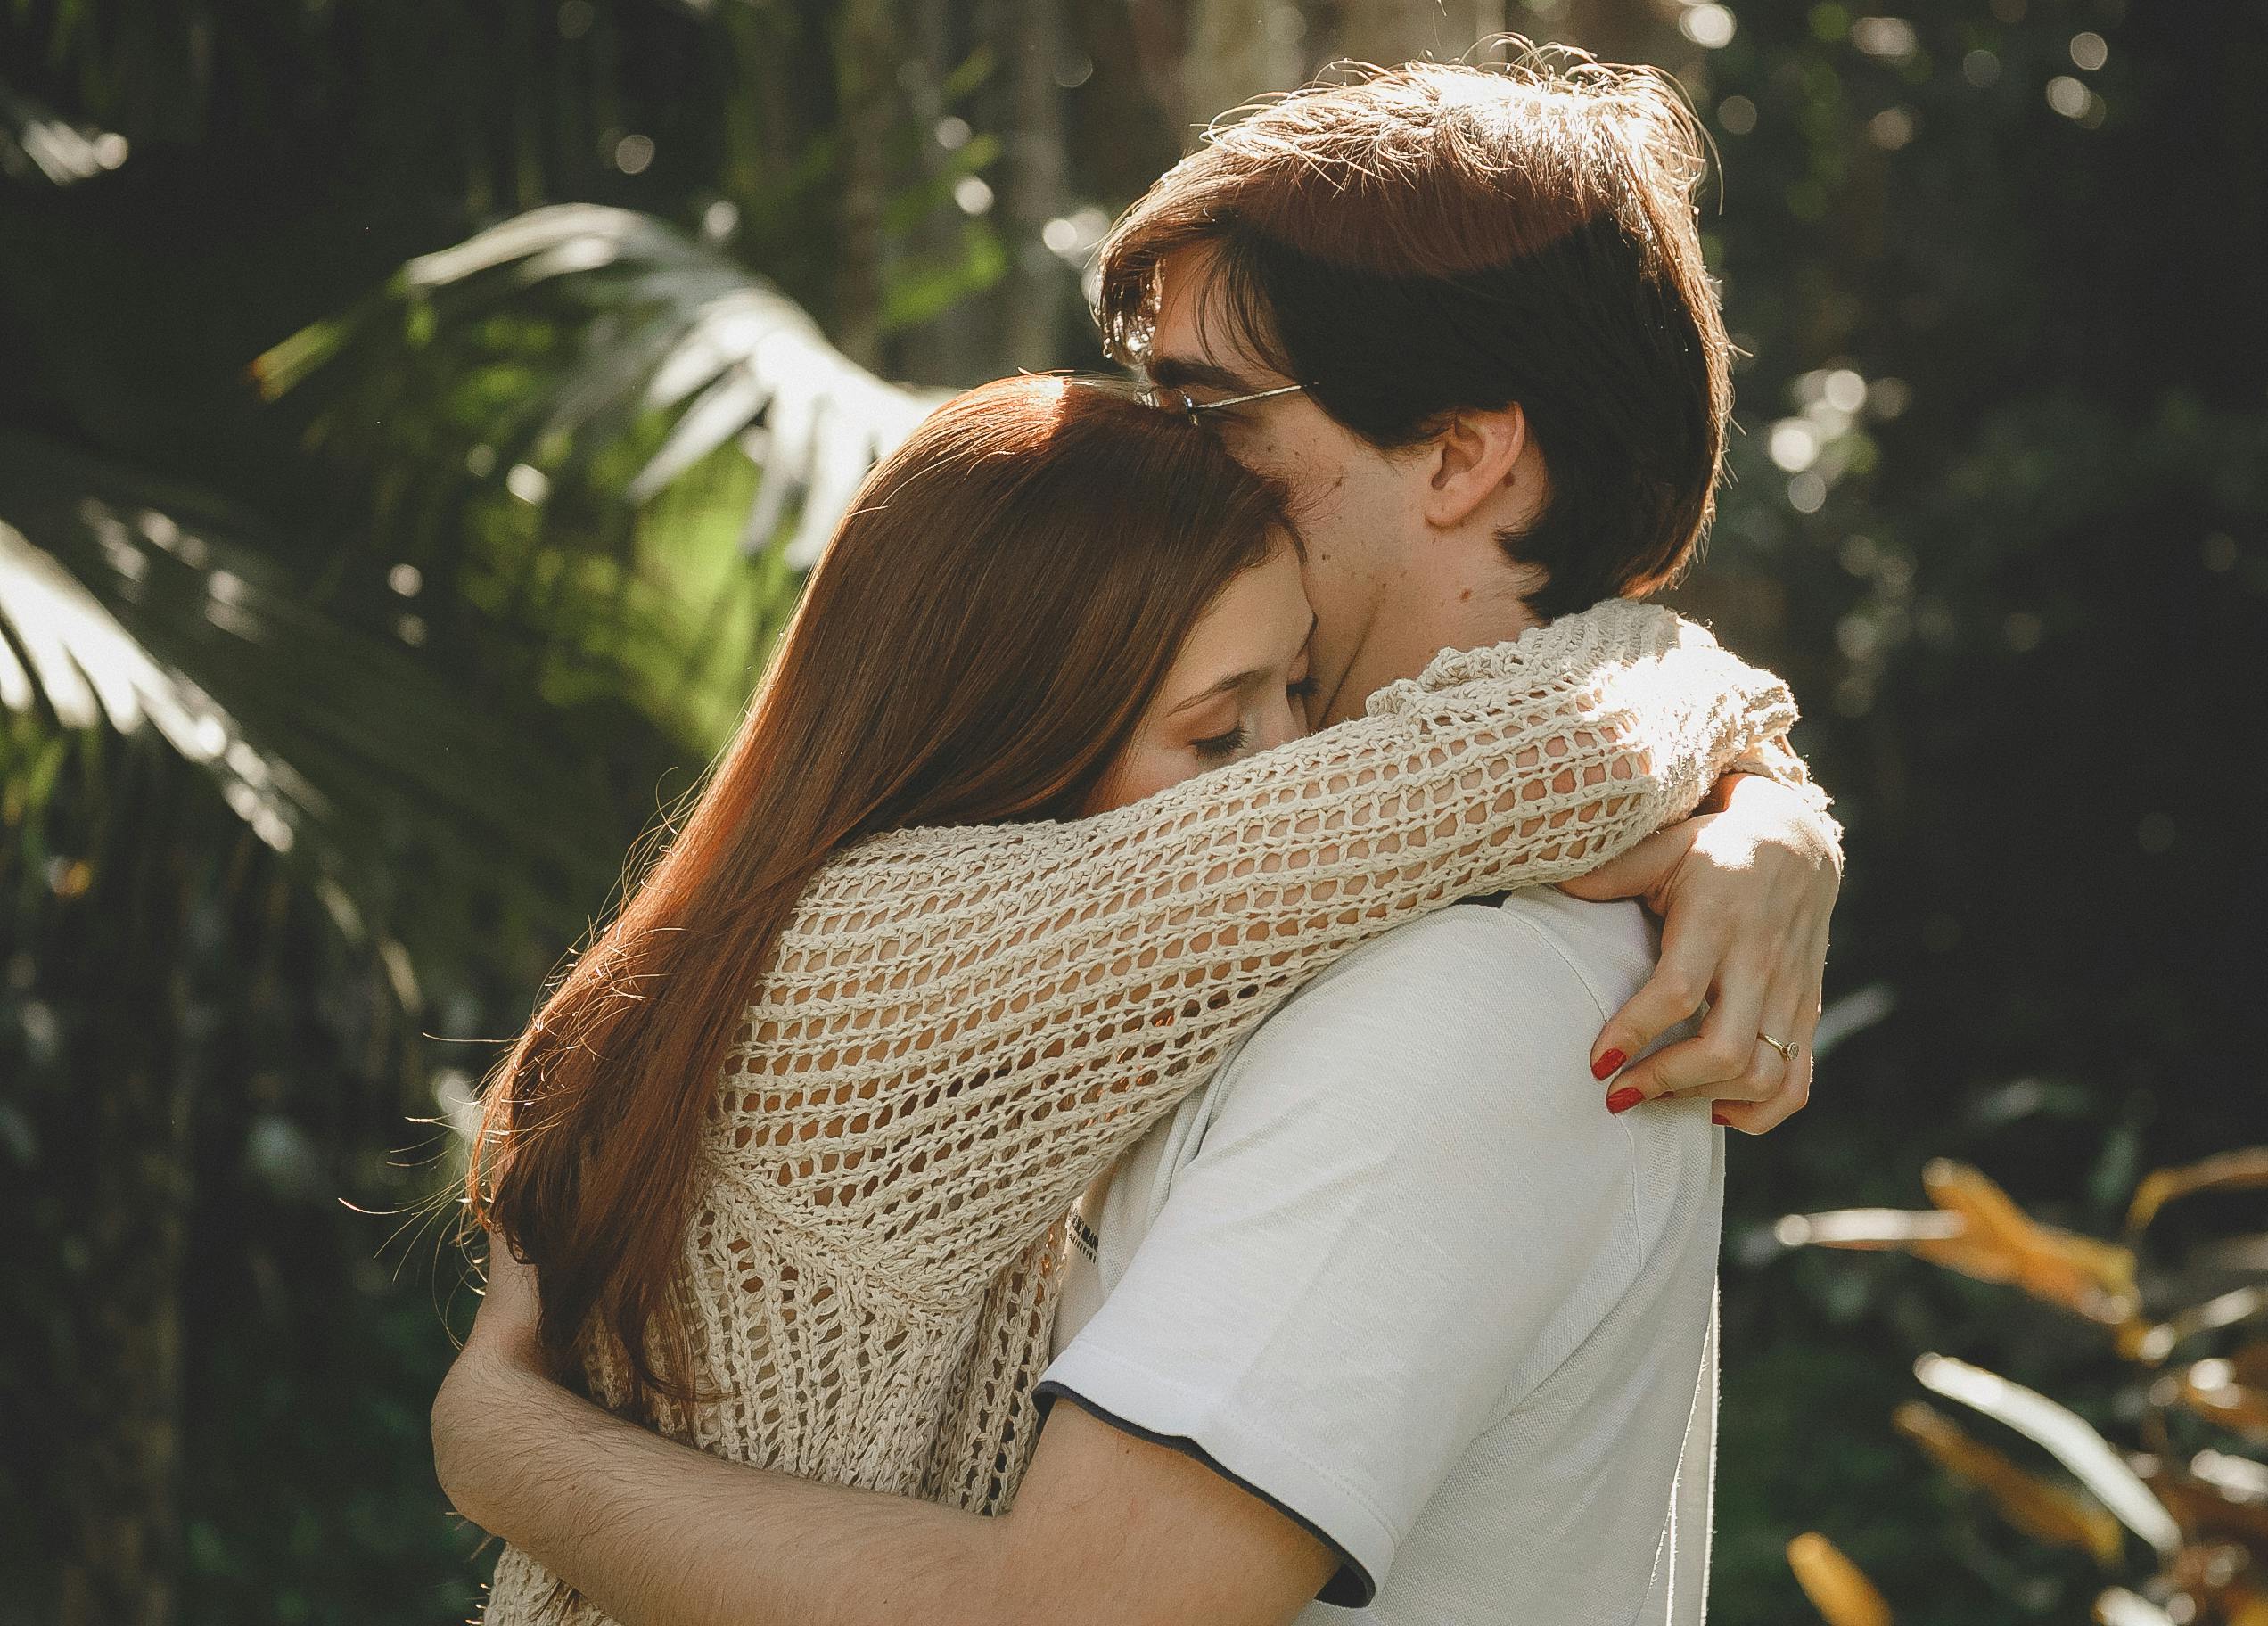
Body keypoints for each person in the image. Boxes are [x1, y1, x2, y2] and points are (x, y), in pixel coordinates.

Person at [439, 50, 1844, 1626]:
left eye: (1206, 404)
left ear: (1462, 456)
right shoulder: (1233, 901)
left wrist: (503, 1443)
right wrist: (1757, 783)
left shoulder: (1457, 1000)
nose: (1154, 446)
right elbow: (1540, 752)